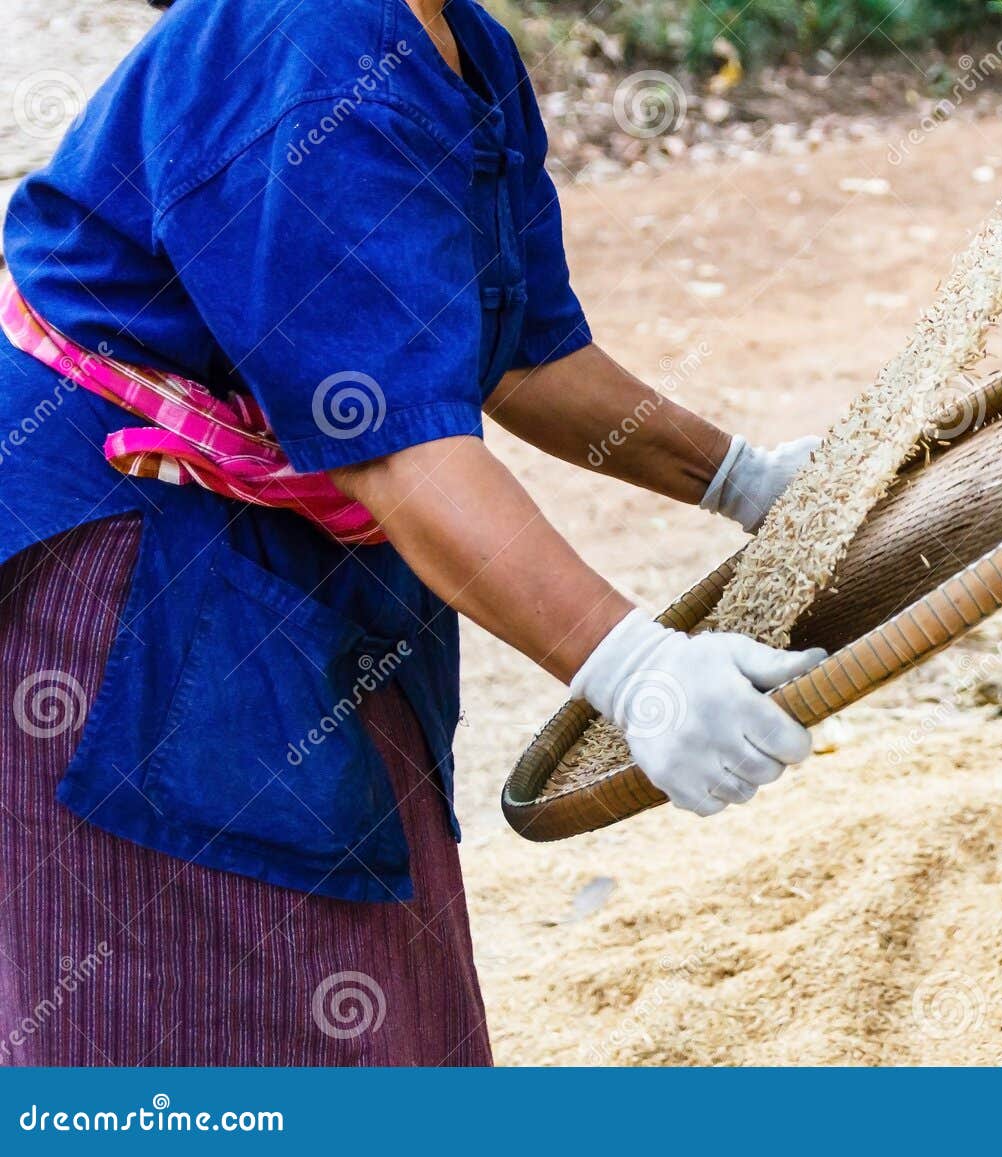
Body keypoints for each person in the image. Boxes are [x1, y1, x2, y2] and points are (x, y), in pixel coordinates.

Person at [0, 0, 823, 1065]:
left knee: (383, 974)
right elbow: (393, 449)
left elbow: (521, 355)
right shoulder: (304, 42)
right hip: (133, 566)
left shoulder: (462, 48)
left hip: (298, 556)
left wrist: (743, 480)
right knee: (210, 989)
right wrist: (629, 664)